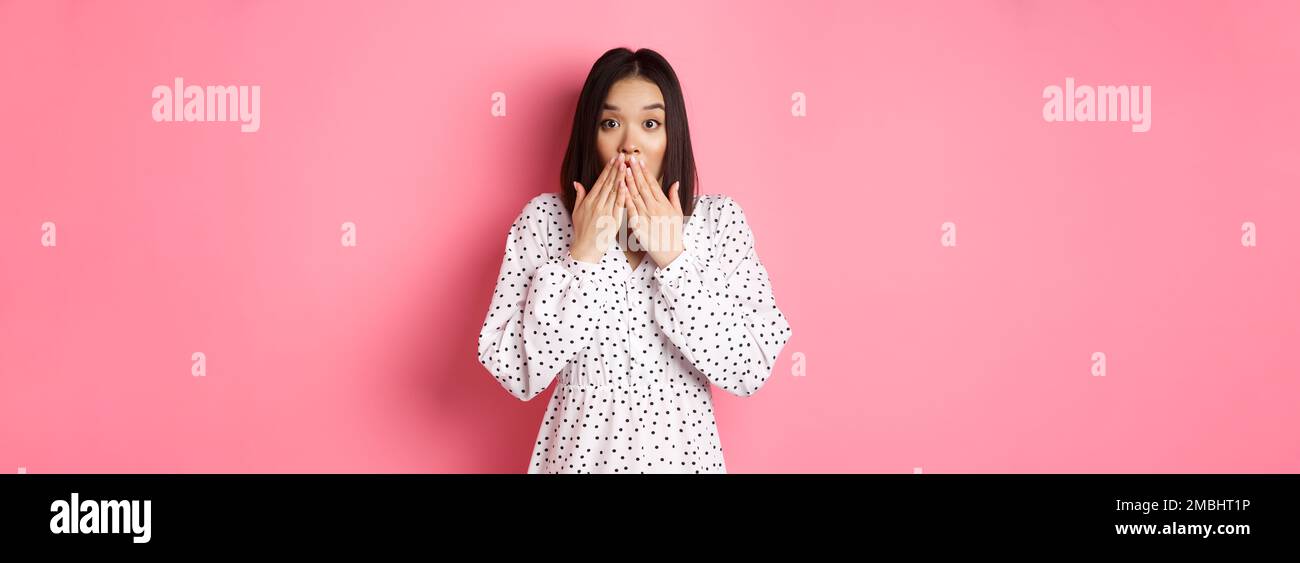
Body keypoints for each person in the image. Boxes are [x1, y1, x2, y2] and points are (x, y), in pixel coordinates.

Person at [476, 47, 792, 473]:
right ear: (590, 135)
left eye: (650, 123)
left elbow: (748, 369)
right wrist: (582, 257)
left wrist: (673, 256)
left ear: (671, 134)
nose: (630, 145)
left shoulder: (719, 222)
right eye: (610, 123)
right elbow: (515, 372)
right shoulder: (545, 222)